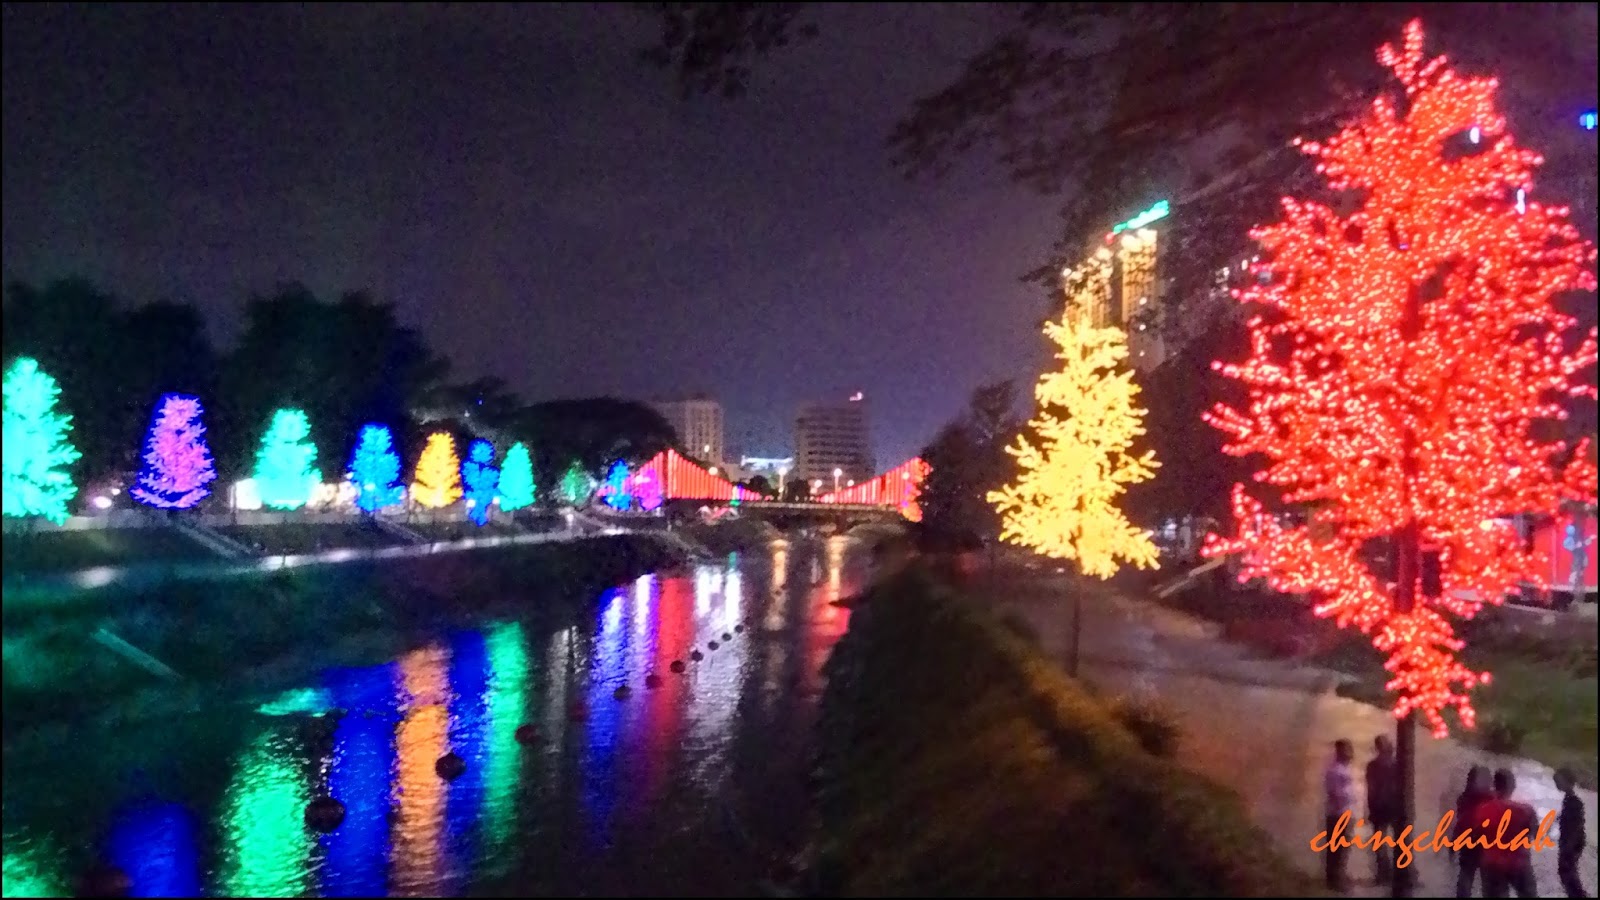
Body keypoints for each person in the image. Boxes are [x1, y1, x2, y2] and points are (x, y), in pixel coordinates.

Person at [1474, 768, 1539, 898]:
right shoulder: (1526, 810)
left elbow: (1476, 837)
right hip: (1519, 863)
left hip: (1492, 864)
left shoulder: (1484, 810)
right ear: (1513, 786)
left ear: (1495, 785)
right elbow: (1536, 834)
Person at [1453, 765, 1493, 898]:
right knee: (1486, 879)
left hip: (1468, 841)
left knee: (1466, 875)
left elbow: (1460, 823)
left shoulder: (1463, 798)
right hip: (1486, 843)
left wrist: (1453, 842)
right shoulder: (1491, 799)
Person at [1366, 735, 1402, 884]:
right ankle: (1393, 873)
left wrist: (1369, 807)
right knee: (1397, 841)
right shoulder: (1396, 765)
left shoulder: (1373, 766)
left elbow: (1371, 789)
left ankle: (1383, 873)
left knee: (1379, 842)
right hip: (1392, 806)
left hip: (1379, 806)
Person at [1324, 739, 1357, 892]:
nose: (1350, 753)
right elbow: (1335, 793)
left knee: (1341, 848)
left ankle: (1336, 876)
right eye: (1347, 750)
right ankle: (1335, 879)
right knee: (1338, 848)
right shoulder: (1335, 771)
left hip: (1345, 812)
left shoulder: (1345, 769)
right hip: (1339, 814)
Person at [1555, 767, 1589, 898]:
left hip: (1571, 843)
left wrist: (1568, 847)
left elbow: (1576, 826)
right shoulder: (1569, 799)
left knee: (1567, 873)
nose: (1556, 783)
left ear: (1568, 781)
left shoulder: (1574, 802)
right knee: (1567, 873)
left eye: (1558, 781)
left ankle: (1579, 895)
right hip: (1571, 842)